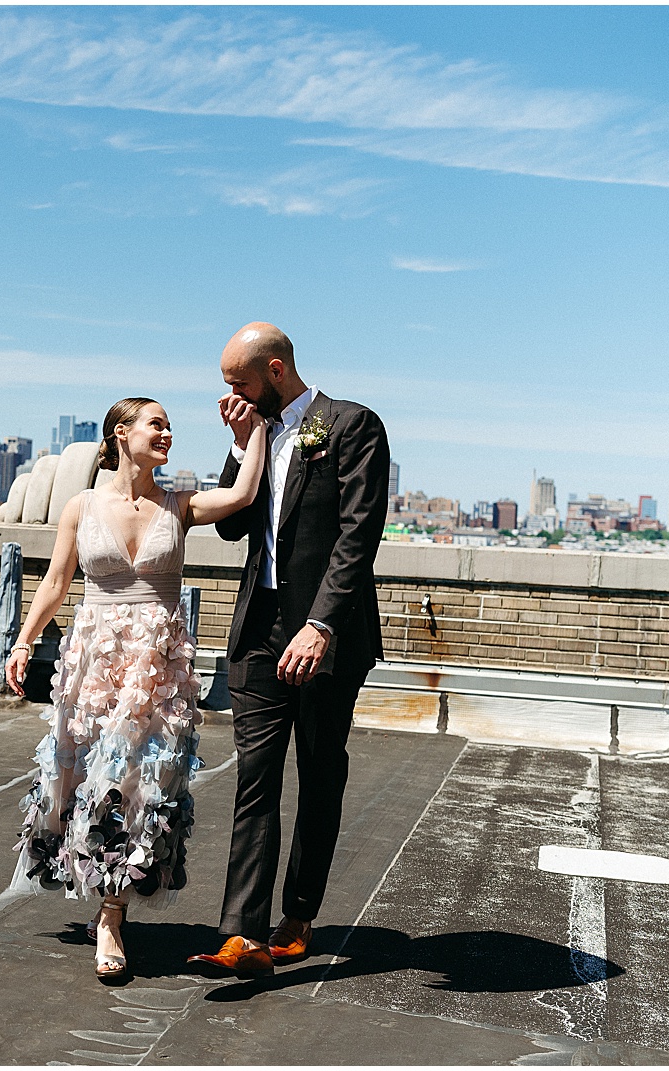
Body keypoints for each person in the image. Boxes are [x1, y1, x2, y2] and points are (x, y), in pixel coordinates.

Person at [5, 396, 267, 983]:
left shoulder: (180, 505)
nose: (167, 433)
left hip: (157, 671)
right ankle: (104, 900)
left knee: (138, 785)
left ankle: (111, 917)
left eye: (170, 426)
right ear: (121, 433)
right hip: (95, 663)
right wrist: (23, 641)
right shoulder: (81, 506)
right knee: (87, 783)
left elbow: (244, 494)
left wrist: (253, 430)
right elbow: (56, 581)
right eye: (156, 424)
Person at [188, 323, 390, 978]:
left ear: (275, 371)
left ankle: (299, 914)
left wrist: (322, 624)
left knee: (320, 772)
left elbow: (358, 537)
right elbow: (231, 526)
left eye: (239, 383)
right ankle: (242, 935)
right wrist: (240, 443)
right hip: (259, 631)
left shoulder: (352, 426)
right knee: (256, 776)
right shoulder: (256, 433)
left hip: (326, 636)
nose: (231, 395)